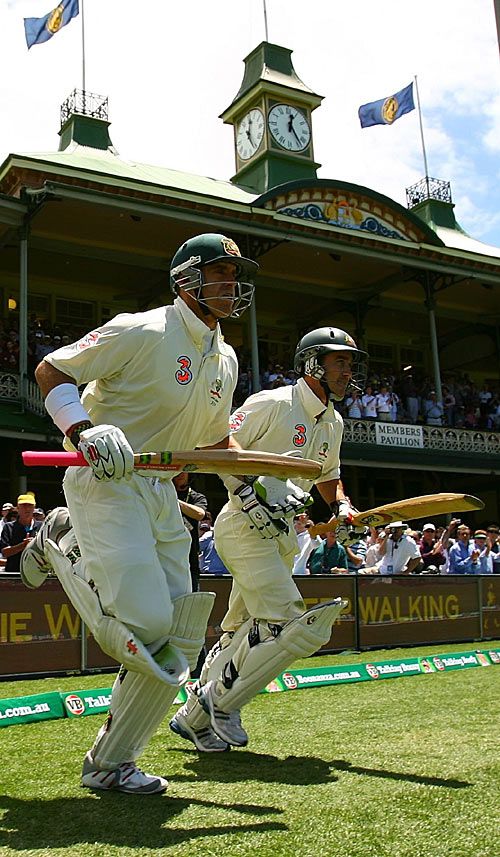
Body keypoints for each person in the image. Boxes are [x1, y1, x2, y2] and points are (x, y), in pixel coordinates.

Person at [20, 232, 259, 793]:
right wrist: (84, 428)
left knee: (177, 635)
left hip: (158, 494)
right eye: (221, 273)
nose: (231, 284)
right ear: (187, 279)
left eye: (235, 275)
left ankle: (109, 765)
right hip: (106, 479)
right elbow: (51, 370)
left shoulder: (224, 356)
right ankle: (63, 538)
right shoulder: (143, 327)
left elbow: (215, 443)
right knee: (148, 624)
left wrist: (257, 485)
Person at [170, 326, 368, 752]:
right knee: (285, 619)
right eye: (340, 361)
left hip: (281, 533)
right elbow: (219, 442)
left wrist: (343, 508)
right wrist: (246, 487)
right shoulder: (275, 402)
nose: (348, 371)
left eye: (350, 363)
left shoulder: (332, 421)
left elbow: (327, 476)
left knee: (241, 627)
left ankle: (193, 718)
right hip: (243, 524)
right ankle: (222, 700)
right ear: (313, 362)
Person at [0, 493, 42, 574]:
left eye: (30, 505)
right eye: (24, 506)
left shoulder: (41, 526)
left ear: (34, 508)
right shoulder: (8, 527)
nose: (27, 509)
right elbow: (5, 552)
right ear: (18, 508)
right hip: (14, 573)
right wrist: (23, 545)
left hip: (36, 573)